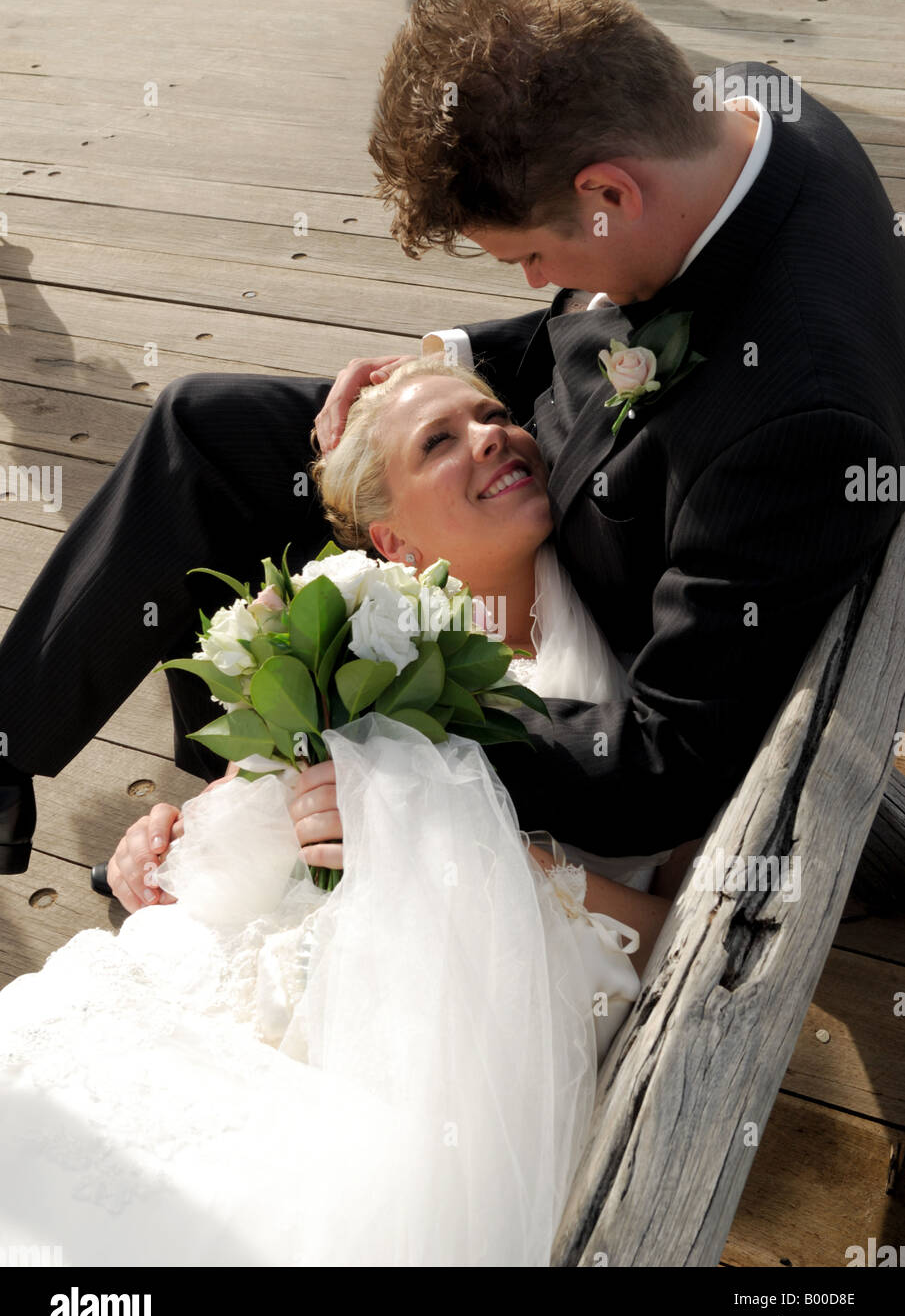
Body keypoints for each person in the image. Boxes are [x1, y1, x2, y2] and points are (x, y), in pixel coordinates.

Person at [2, 0, 903, 894]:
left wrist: (380, 738)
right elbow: (575, 340)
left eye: (530, 256)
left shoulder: (797, 417)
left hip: (590, 580)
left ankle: (271, 813)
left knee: (309, 580)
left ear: (610, 192)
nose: (530, 283)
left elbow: (664, 763)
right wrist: (435, 365)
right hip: (533, 456)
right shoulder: (734, 119)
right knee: (211, 428)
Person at [0, 363, 691, 1267]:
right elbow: (257, 804)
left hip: (426, 1063)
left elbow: (672, 927)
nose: (491, 435)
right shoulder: (365, 641)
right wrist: (161, 839)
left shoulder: (628, 671)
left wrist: (455, 840)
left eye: (491, 415)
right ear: (393, 545)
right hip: (263, 979)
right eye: (439, 442)